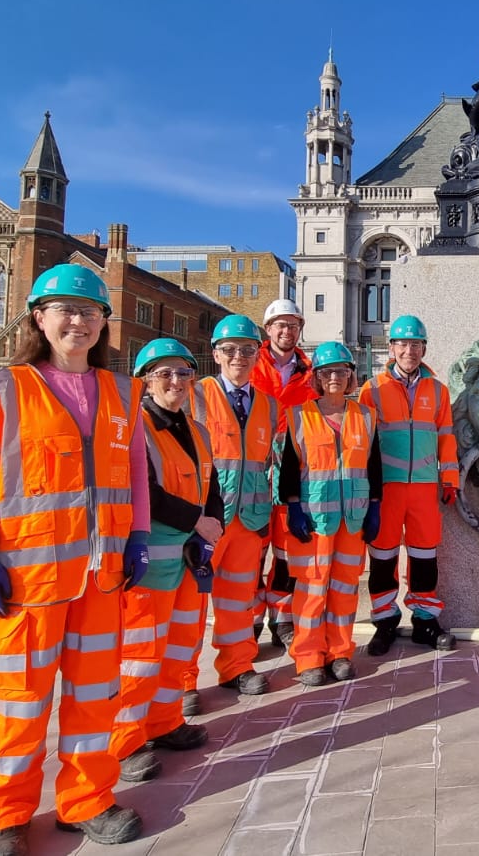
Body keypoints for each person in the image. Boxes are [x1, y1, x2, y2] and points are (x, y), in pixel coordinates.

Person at [0, 264, 148, 855]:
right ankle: (4, 814)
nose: (79, 321)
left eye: (90, 311)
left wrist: (139, 536)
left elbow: (135, 475)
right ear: (38, 319)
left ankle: (86, 800)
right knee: (18, 701)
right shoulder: (6, 389)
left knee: (95, 696)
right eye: (66, 310)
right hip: (27, 578)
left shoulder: (122, 393)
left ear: (103, 324)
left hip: (102, 576)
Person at [107, 338, 221, 785]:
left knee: (179, 645)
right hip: (151, 559)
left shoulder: (197, 430)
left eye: (183, 373)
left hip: (189, 557)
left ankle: (164, 721)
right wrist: (198, 521)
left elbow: (212, 484)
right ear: (145, 381)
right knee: (140, 654)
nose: (176, 381)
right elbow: (145, 493)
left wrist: (213, 523)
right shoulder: (135, 429)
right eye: (164, 373)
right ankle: (125, 741)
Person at [279, 342, 383, 686]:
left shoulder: (365, 416)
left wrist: (375, 506)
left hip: (353, 518)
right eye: (326, 372)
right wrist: (293, 506)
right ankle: (309, 657)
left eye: (341, 371)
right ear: (317, 378)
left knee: (345, 587)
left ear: (351, 375)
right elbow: (289, 468)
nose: (334, 377)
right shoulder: (300, 415)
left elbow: (374, 466)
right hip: (313, 520)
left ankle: (340, 652)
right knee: (312, 588)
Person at [187, 315, 279, 706]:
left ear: (258, 355)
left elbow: (269, 463)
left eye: (247, 349)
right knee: (190, 604)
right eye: (229, 349)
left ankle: (237, 666)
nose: (238, 356)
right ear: (215, 354)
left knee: (239, 600)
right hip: (205, 520)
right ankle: (183, 681)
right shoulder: (195, 395)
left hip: (248, 519)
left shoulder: (268, 405)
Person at [357, 314, 458, 656]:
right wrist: (366, 489)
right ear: (391, 348)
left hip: (425, 488)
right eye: (402, 344)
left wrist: (450, 479)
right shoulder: (372, 390)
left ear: (424, 349)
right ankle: (385, 621)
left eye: (416, 344)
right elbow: (364, 443)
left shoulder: (438, 391)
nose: (409, 351)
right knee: (382, 556)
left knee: (424, 555)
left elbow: (446, 437)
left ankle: (425, 621)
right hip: (386, 489)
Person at [249, 298, 318, 651]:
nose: (287, 331)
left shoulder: (312, 373)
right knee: (251, 553)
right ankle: (250, 623)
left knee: (285, 553)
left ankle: (281, 619)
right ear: (268, 329)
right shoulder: (249, 363)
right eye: (280, 324)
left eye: (293, 325)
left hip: (293, 474)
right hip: (253, 474)